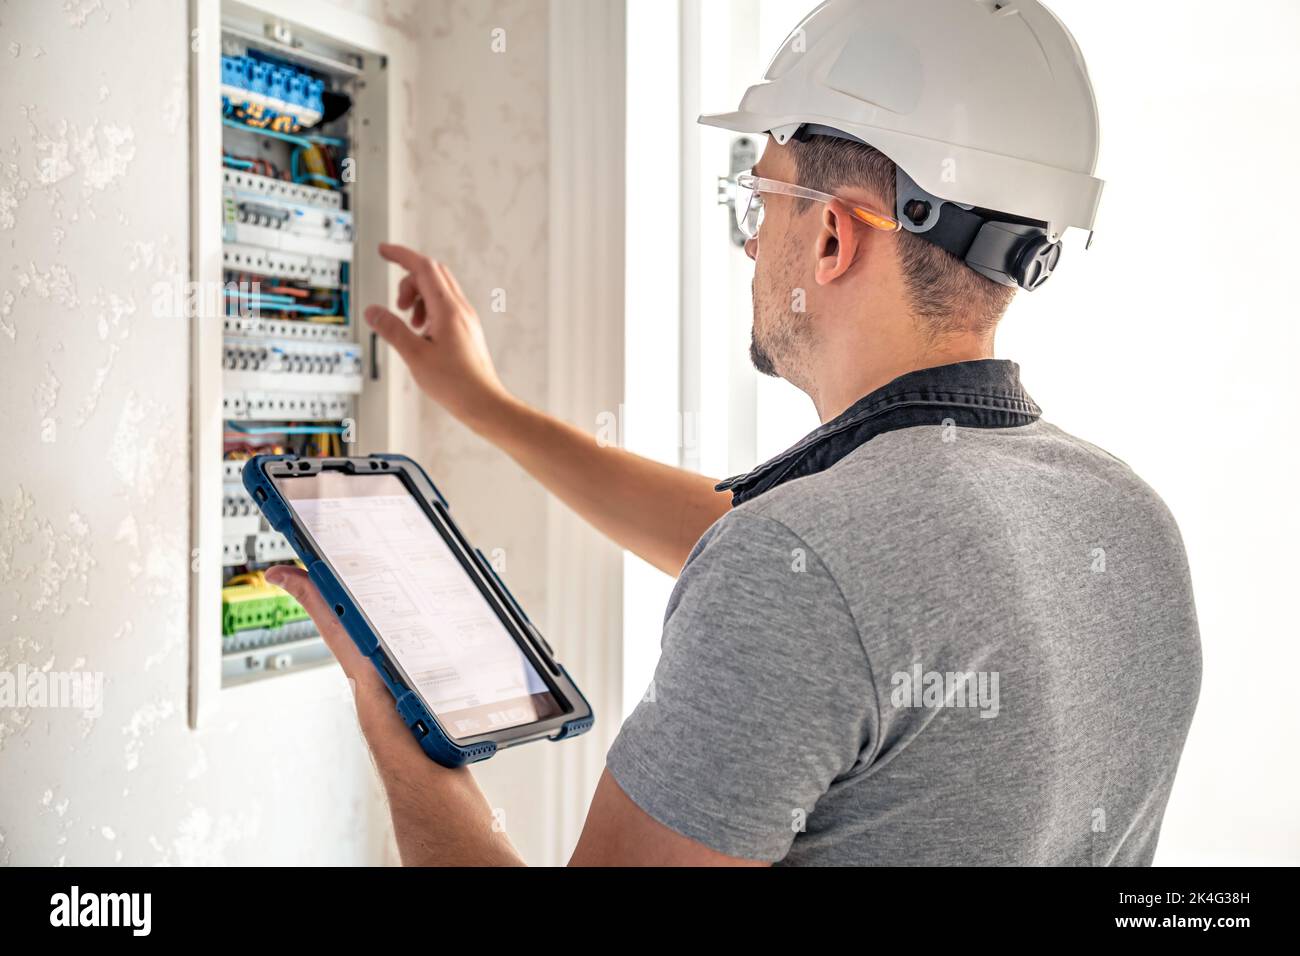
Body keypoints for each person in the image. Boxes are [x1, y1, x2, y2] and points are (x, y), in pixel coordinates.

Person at [267, 0, 1201, 866]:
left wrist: (396, 725)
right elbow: (811, 571)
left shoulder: (805, 561)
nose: (753, 242)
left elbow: (805, 579)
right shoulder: (1124, 519)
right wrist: (487, 409)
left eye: (762, 199)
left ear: (834, 237)